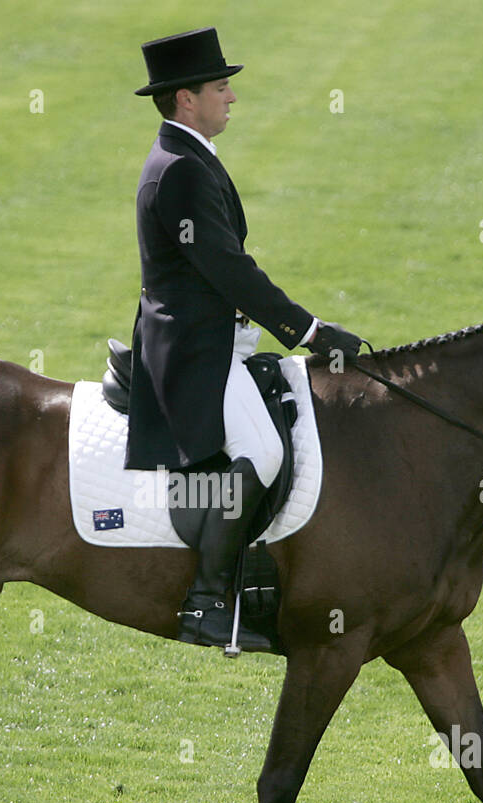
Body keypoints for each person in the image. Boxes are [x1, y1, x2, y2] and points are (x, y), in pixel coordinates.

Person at [125, 26, 363, 651]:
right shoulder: (178, 170)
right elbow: (228, 269)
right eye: (221, 88)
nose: (231, 98)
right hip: (191, 351)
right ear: (185, 98)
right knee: (262, 455)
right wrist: (309, 332)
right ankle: (205, 602)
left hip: (216, 340)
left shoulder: (190, 156)